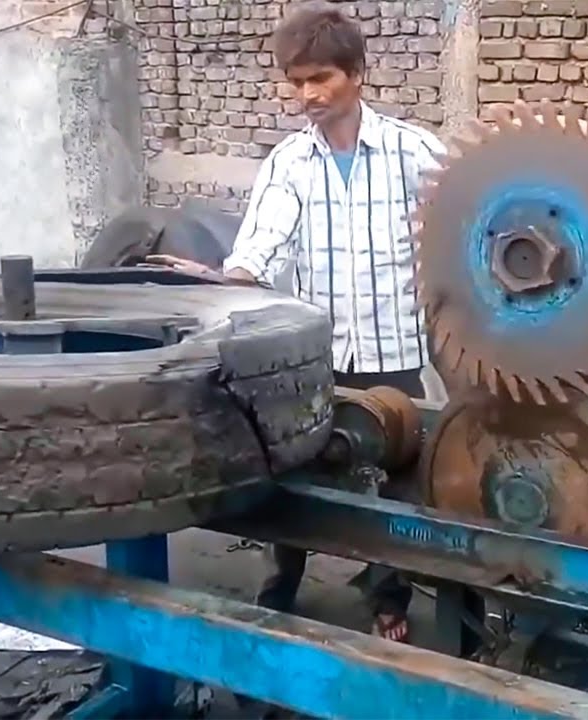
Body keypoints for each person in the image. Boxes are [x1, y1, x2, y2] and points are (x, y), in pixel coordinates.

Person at [145, 3, 442, 643]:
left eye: (320, 79)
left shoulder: (414, 153)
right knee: (295, 466)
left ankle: (388, 596)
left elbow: (460, 225)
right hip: (315, 352)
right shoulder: (288, 164)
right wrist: (215, 281)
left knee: (396, 482)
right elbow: (258, 252)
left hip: (395, 347)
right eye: (296, 81)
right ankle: (280, 587)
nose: (306, 95)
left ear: (357, 73)